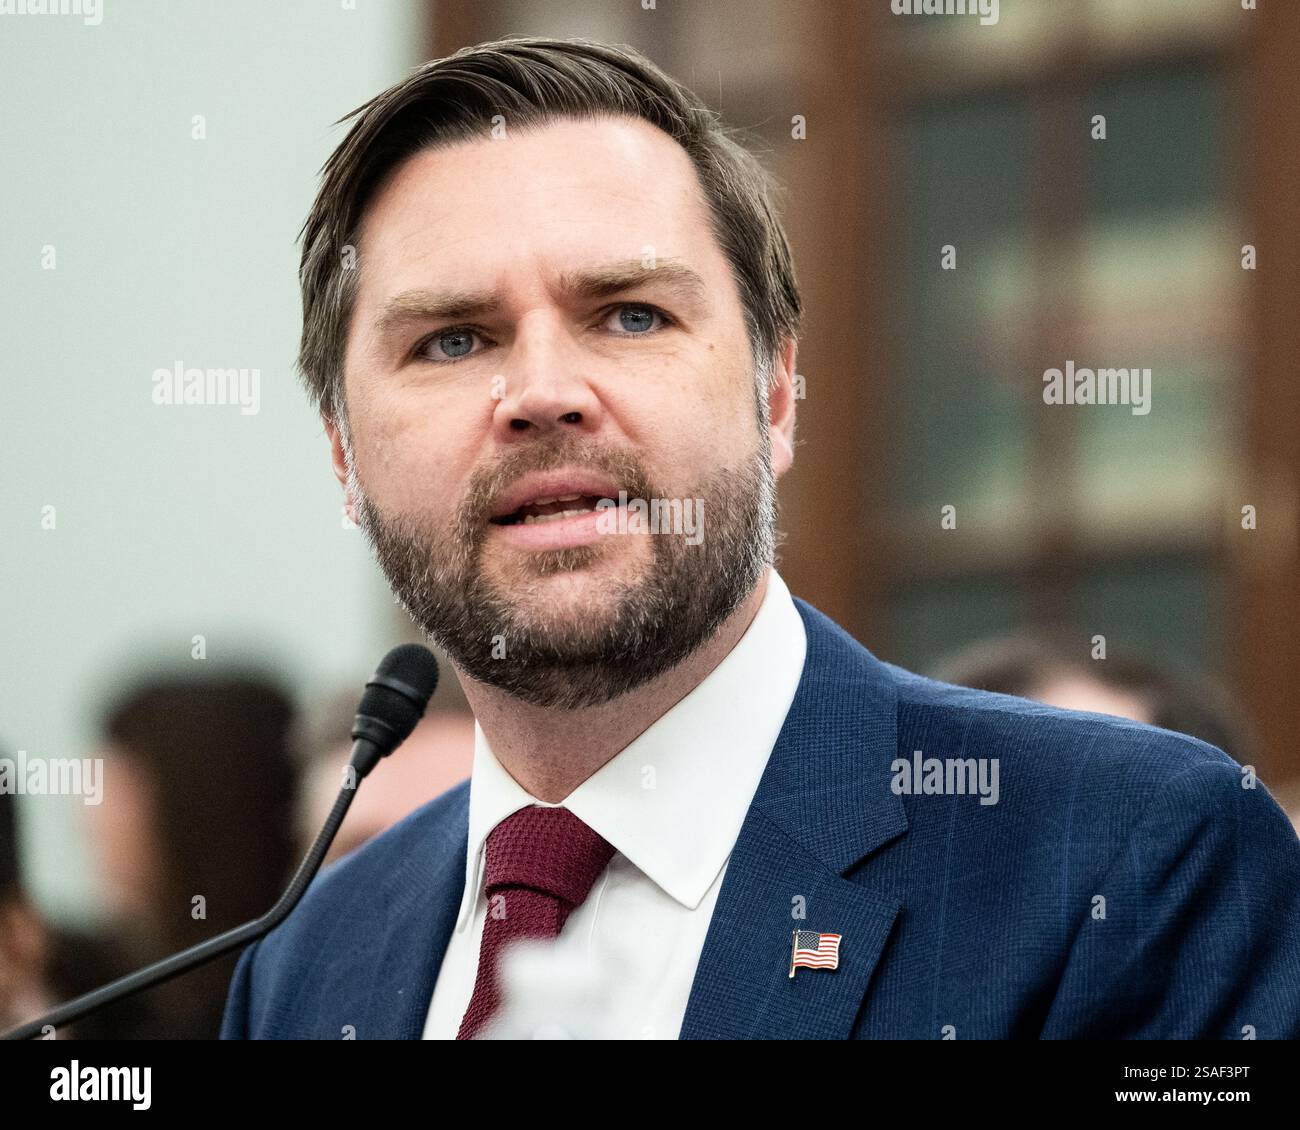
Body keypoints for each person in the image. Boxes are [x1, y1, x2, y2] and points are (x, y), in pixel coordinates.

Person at [221, 37, 1300, 1040]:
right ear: (343, 457)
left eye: (631, 313)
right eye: (453, 338)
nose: (542, 393)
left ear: (775, 394)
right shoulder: (306, 964)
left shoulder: (1129, 854)